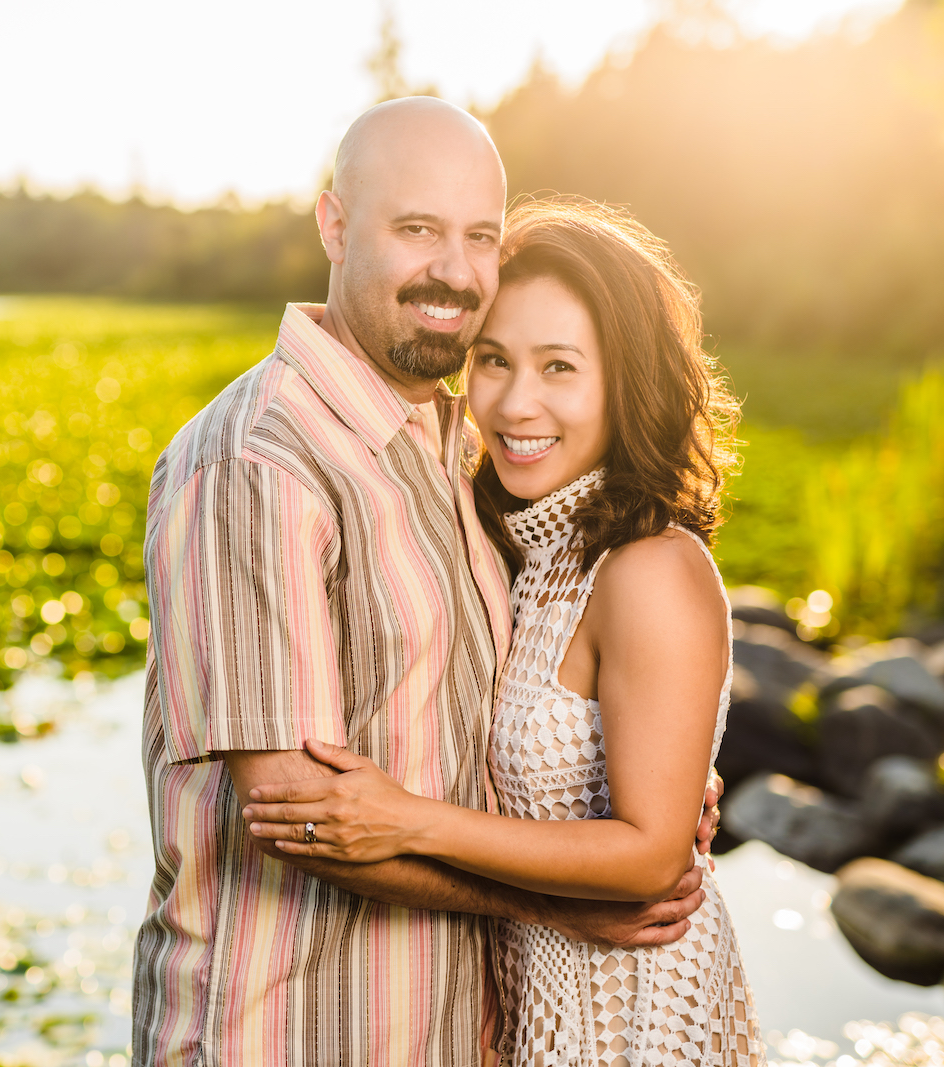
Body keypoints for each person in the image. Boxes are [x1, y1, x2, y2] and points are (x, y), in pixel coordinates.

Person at [132, 98, 722, 1066]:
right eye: (416, 229)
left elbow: (532, 701)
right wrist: (565, 900)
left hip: (461, 1027)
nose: (451, 269)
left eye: (477, 236)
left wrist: (651, 774)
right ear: (333, 224)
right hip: (291, 1029)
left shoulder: (458, 446)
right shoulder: (258, 466)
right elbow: (303, 815)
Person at [243, 197, 761, 1064]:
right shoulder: (513, 544)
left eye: (560, 366)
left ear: (625, 378)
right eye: (493, 360)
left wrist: (407, 820)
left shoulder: (650, 568)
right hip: (530, 991)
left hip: (628, 1009)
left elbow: (649, 856)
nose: (517, 404)